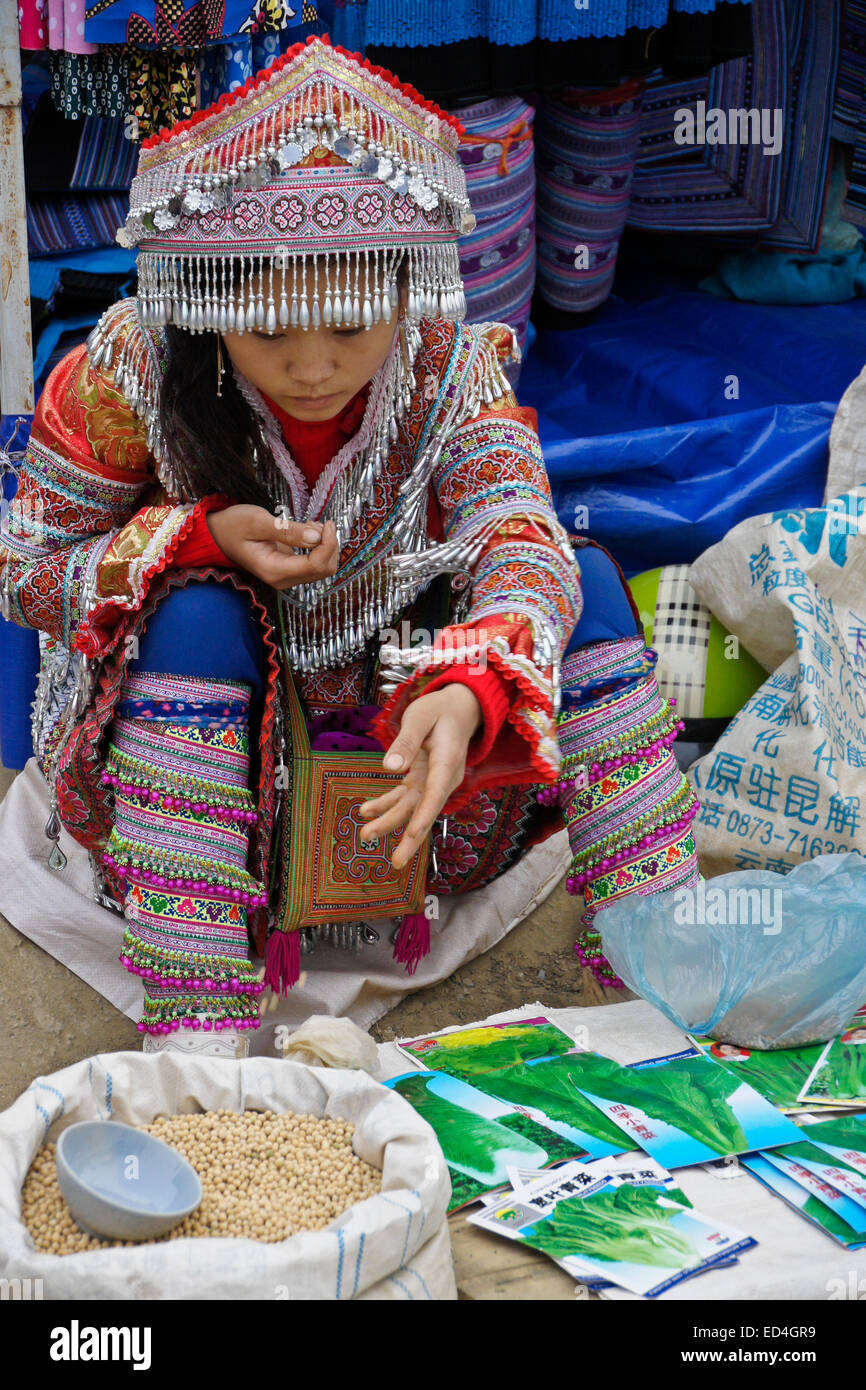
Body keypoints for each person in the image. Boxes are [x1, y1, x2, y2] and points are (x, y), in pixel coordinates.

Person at [0, 37, 698, 1056]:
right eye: (271, 332)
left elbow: (516, 527)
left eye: (352, 326)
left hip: (415, 773)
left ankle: (668, 965)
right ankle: (197, 1017)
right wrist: (196, 537)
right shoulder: (126, 368)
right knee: (194, 608)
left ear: (405, 291)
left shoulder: (446, 364)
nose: (315, 367)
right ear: (209, 300)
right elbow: (26, 572)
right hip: (196, 782)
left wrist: (469, 685)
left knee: (583, 581)